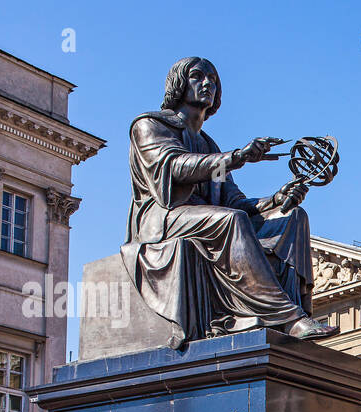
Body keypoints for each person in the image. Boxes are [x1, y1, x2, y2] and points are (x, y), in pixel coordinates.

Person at [123, 57, 338, 347]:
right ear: (178, 84)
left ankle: (282, 328)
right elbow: (176, 167)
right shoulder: (150, 125)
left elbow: (234, 200)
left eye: (213, 79)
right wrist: (238, 157)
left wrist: (276, 200)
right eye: (197, 77)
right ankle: (290, 318)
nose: (207, 83)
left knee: (294, 218)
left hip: (203, 219)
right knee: (229, 220)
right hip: (163, 218)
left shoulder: (209, 145)